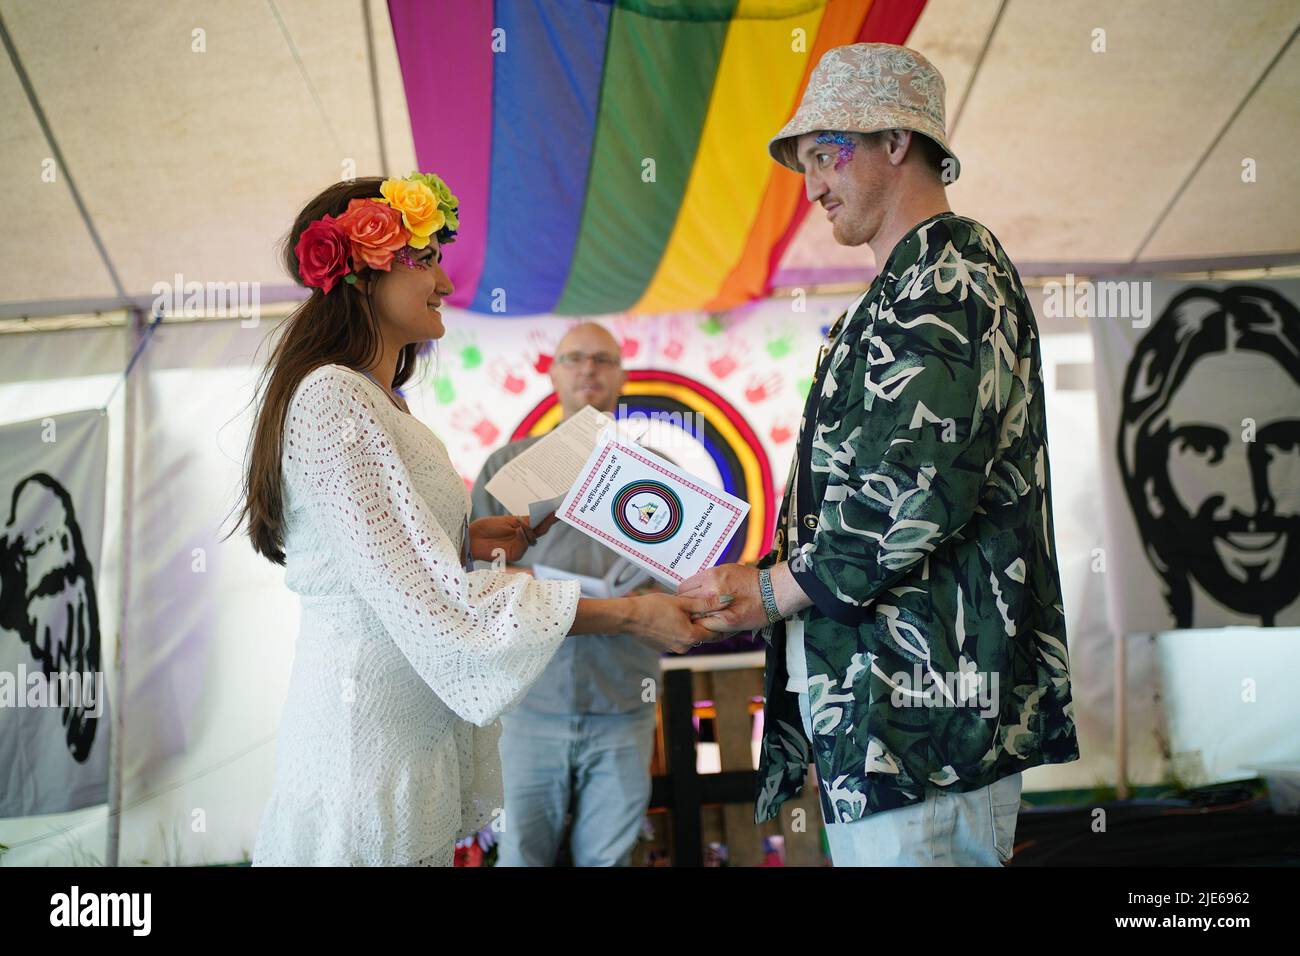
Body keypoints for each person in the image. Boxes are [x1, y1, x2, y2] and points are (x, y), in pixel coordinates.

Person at [235, 173, 721, 866]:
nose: (444, 282)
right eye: (425, 261)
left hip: (423, 733)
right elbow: (437, 597)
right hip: (365, 746)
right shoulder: (333, 399)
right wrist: (633, 613)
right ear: (367, 272)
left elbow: (396, 554)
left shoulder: (384, 403)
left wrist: (463, 538)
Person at [681, 43, 1081, 866]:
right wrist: (763, 575)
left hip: (925, 713)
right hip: (893, 712)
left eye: (825, 156)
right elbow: (874, 492)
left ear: (897, 142)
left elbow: (917, 490)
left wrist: (769, 590)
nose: (813, 187)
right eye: (804, 166)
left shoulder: (951, 269)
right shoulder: (905, 283)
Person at [471, 322, 661, 867]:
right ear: (552, 372)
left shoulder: (656, 474)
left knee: (611, 859)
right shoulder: (504, 468)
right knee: (522, 856)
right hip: (529, 703)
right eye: (574, 357)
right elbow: (475, 579)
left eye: (602, 359)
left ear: (622, 374)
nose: (588, 369)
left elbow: (687, 581)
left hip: (624, 700)